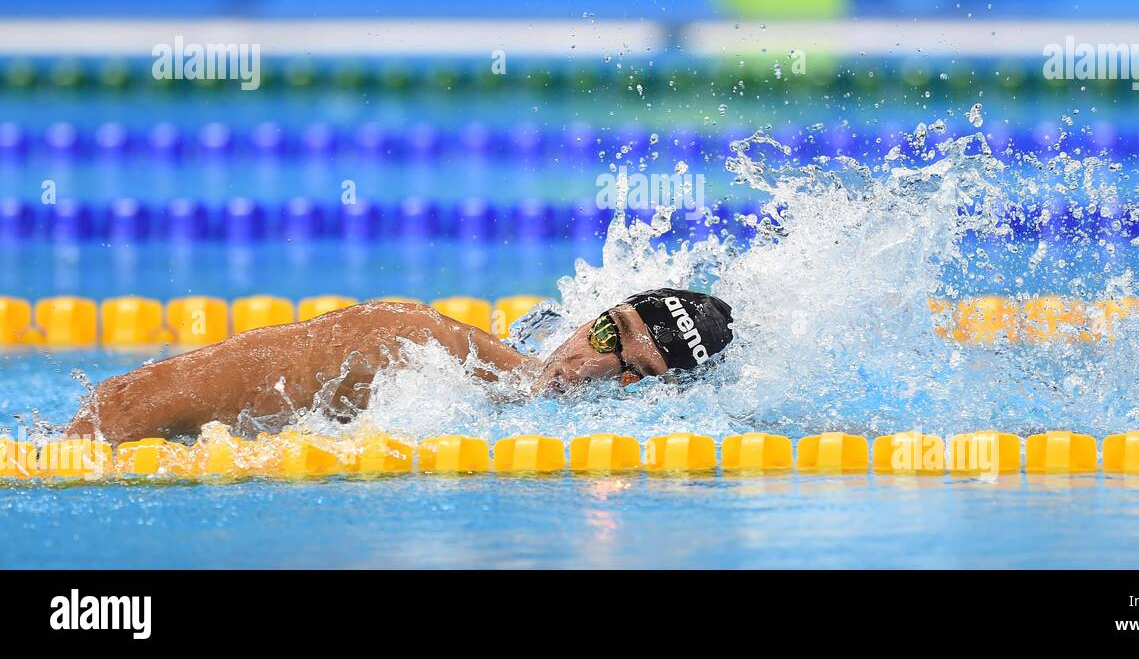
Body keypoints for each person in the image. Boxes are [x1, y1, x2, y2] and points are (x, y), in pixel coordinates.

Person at [66, 289, 734, 444]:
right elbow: (115, 410)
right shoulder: (419, 344)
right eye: (607, 331)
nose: (589, 365)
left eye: (630, 372)